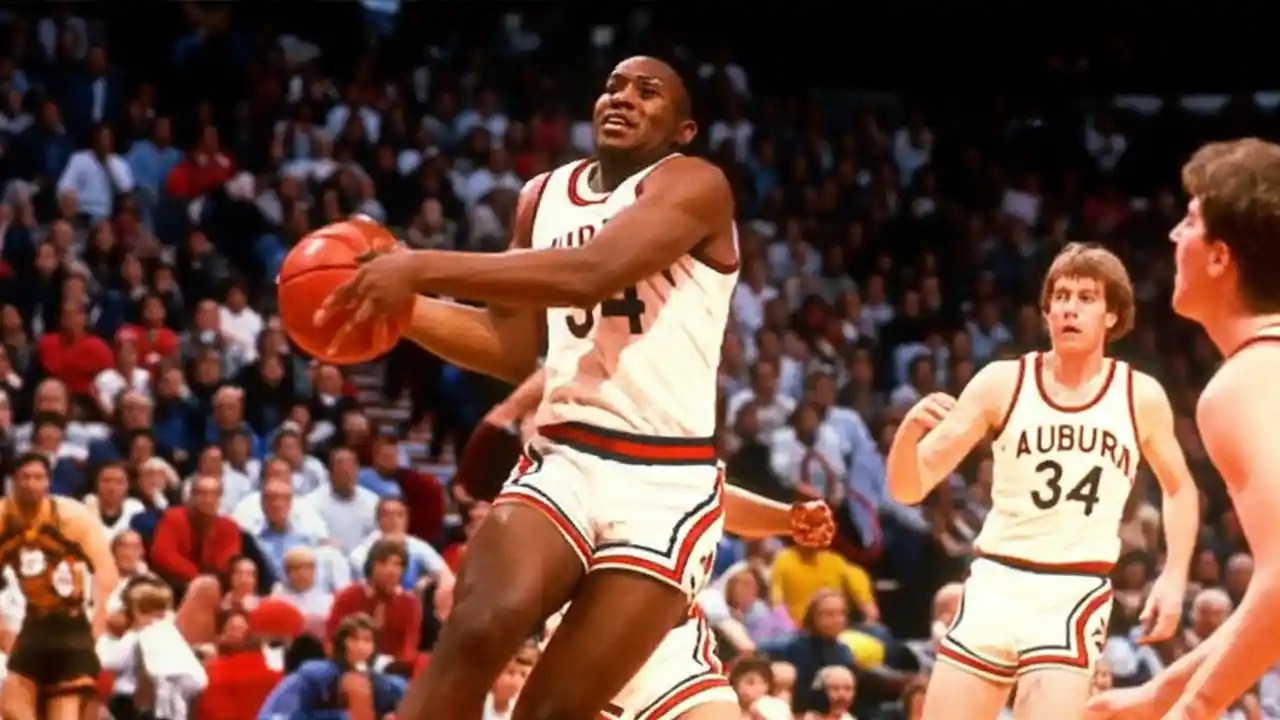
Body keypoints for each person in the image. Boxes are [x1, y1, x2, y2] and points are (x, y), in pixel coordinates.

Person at [320, 55, 741, 720]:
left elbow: (591, 273)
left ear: (684, 129)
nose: (622, 98)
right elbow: (511, 348)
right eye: (611, 87)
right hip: (564, 458)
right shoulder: (542, 197)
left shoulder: (696, 183)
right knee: (483, 623)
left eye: (647, 91)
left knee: (550, 713)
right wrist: (395, 309)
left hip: (665, 484)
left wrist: (419, 267)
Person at [886, 243, 1200, 720]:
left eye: (1086, 297)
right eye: (1061, 296)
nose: (1070, 307)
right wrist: (908, 435)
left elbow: (1180, 489)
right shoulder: (1002, 382)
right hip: (996, 579)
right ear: (1046, 309)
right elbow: (908, 489)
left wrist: (1174, 576)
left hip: (1072, 589)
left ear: (1112, 315)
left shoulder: (1139, 395)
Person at [1085, 139, 1280, 719]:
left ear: (1220, 257)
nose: (1173, 236)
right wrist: (1156, 696)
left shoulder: (1245, 383)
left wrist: (1193, 708)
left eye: (1189, 221)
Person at [0, 452, 119, 720]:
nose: (31, 483)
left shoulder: (72, 517)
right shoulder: (4, 517)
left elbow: (106, 572)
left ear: (48, 482)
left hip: (72, 628)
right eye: (25, 477)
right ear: (13, 481)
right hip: (32, 625)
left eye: (38, 477)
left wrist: (97, 626)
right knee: (11, 708)